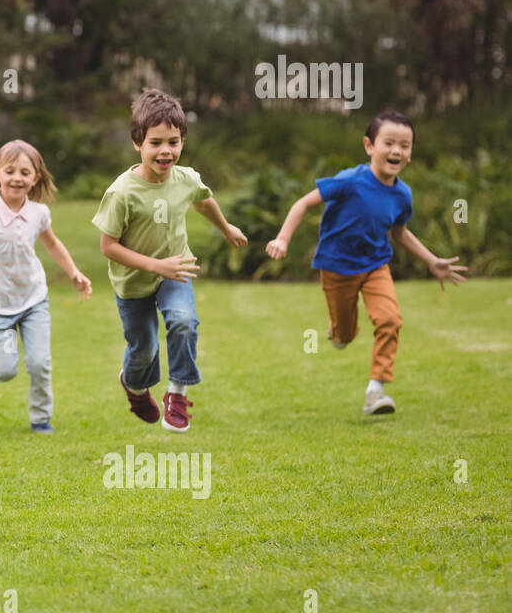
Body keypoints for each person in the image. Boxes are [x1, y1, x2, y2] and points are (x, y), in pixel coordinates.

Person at [266, 109, 466, 415]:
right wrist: (282, 238)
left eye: (405, 145)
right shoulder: (349, 181)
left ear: (410, 153)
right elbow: (304, 203)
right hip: (336, 267)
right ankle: (338, 331)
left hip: (375, 266)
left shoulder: (403, 195)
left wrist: (431, 261)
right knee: (344, 336)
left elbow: (399, 233)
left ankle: (375, 391)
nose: (396, 150)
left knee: (390, 320)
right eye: (389, 143)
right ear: (369, 146)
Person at [92, 88, 248, 432]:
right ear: (138, 143)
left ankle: (177, 393)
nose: (166, 151)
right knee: (143, 350)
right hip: (133, 282)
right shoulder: (121, 193)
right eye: (156, 142)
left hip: (174, 271)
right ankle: (134, 387)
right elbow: (108, 246)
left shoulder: (186, 179)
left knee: (183, 321)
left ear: (183, 142)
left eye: (174, 142)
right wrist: (154, 265)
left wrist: (225, 227)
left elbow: (203, 200)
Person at [0, 140, 93, 432]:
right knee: (4, 372)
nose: (17, 177)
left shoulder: (39, 213)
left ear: (36, 178)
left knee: (40, 364)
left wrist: (74, 273)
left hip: (33, 301)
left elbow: (52, 244)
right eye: (10, 171)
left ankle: (41, 418)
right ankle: (4, 353)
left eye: (25, 172)